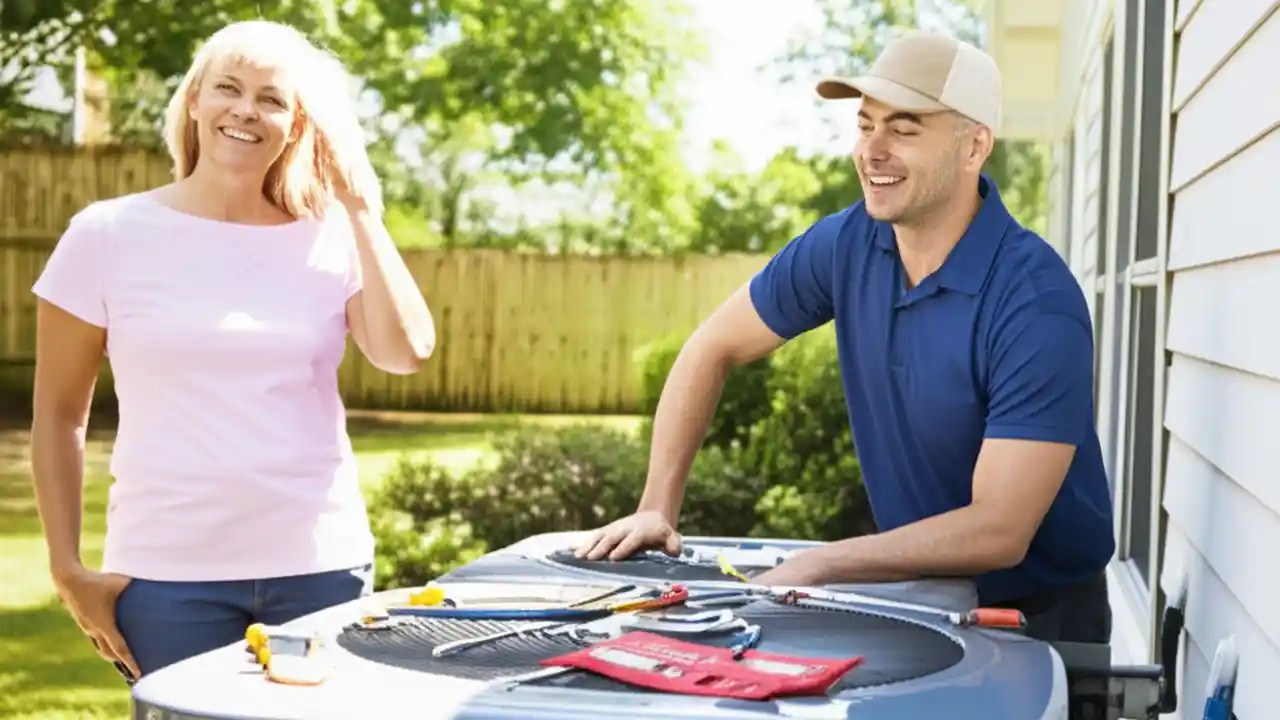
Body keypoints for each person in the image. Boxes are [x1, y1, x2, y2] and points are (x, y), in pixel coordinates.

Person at [575, 30, 1115, 644]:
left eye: (904, 129)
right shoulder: (847, 244)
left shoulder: (1034, 299)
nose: (872, 151)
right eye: (865, 126)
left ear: (974, 148)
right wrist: (656, 507)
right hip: (915, 594)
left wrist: (825, 564)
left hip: (1040, 620)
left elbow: (999, 530)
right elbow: (711, 347)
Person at [28, 20, 436, 681]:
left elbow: (405, 351)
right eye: (228, 88)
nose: (246, 110)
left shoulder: (332, 236)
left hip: (318, 571)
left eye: (272, 99)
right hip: (165, 578)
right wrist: (69, 569)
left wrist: (361, 206)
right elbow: (59, 417)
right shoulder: (106, 234)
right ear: (194, 101)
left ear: (298, 125)